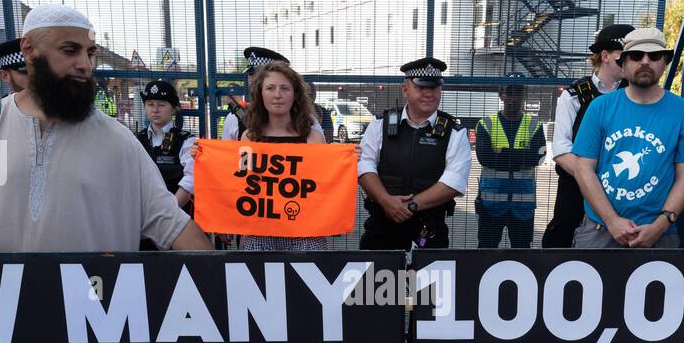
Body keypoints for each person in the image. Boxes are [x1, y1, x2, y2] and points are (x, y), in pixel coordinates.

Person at [0, 4, 211, 273]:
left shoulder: (119, 143)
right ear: (28, 49)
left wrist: (232, 289)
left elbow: (176, 228)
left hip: (96, 321)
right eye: (69, 50)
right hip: (0, 322)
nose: (85, 65)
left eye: (89, 53)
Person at [569, 27, 684, 249]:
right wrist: (612, 221)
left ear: (665, 62)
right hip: (600, 230)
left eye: (654, 56)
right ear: (622, 63)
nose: (645, 62)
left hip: (660, 234)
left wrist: (660, 225)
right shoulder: (600, 108)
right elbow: (584, 169)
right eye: (636, 56)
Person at [196, 61, 330, 252]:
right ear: (261, 94)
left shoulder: (313, 138)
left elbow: (323, 185)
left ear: (295, 95)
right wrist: (204, 158)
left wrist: (347, 161)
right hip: (257, 233)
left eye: (285, 88)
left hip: (304, 233)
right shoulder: (249, 138)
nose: (277, 95)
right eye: (270, 88)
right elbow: (240, 183)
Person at [357, 57, 470, 251]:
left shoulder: (455, 132)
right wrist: (385, 201)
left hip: (429, 230)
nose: (428, 94)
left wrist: (407, 207)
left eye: (434, 88)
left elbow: (453, 181)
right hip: (381, 227)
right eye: (420, 87)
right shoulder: (380, 125)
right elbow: (364, 166)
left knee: (429, 283)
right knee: (375, 281)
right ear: (405, 89)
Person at [541, 22, 633, 248]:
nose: (632, 61)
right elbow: (562, 149)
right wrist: (593, 180)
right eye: (625, 55)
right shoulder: (574, 95)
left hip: (622, 187)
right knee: (561, 241)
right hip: (575, 189)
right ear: (605, 55)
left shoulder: (635, 95)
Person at [475, 74, 547, 248]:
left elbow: (539, 157)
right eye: (509, 93)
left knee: (522, 249)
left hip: (523, 204)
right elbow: (484, 158)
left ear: (524, 95)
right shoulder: (486, 124)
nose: (513, 99)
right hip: (491, 203)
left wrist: (500, 154)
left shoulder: (534, 125)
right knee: (486, 247)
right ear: (501, 95)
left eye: (518, 93)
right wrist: (523, 156)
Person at [137, 79, 195, 205]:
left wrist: (170, 211)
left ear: (173, 109)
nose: (155, 110)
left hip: (176, 213)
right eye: (150, 104)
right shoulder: (136, 140)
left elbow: (191, 179)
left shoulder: (186, 141)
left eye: (162, 104)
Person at [223, 47, 290, 140]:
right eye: (250, 74)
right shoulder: (234, 118)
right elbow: (226, 152)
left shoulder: (303, 118)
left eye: (259, 73)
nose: (252, 78)